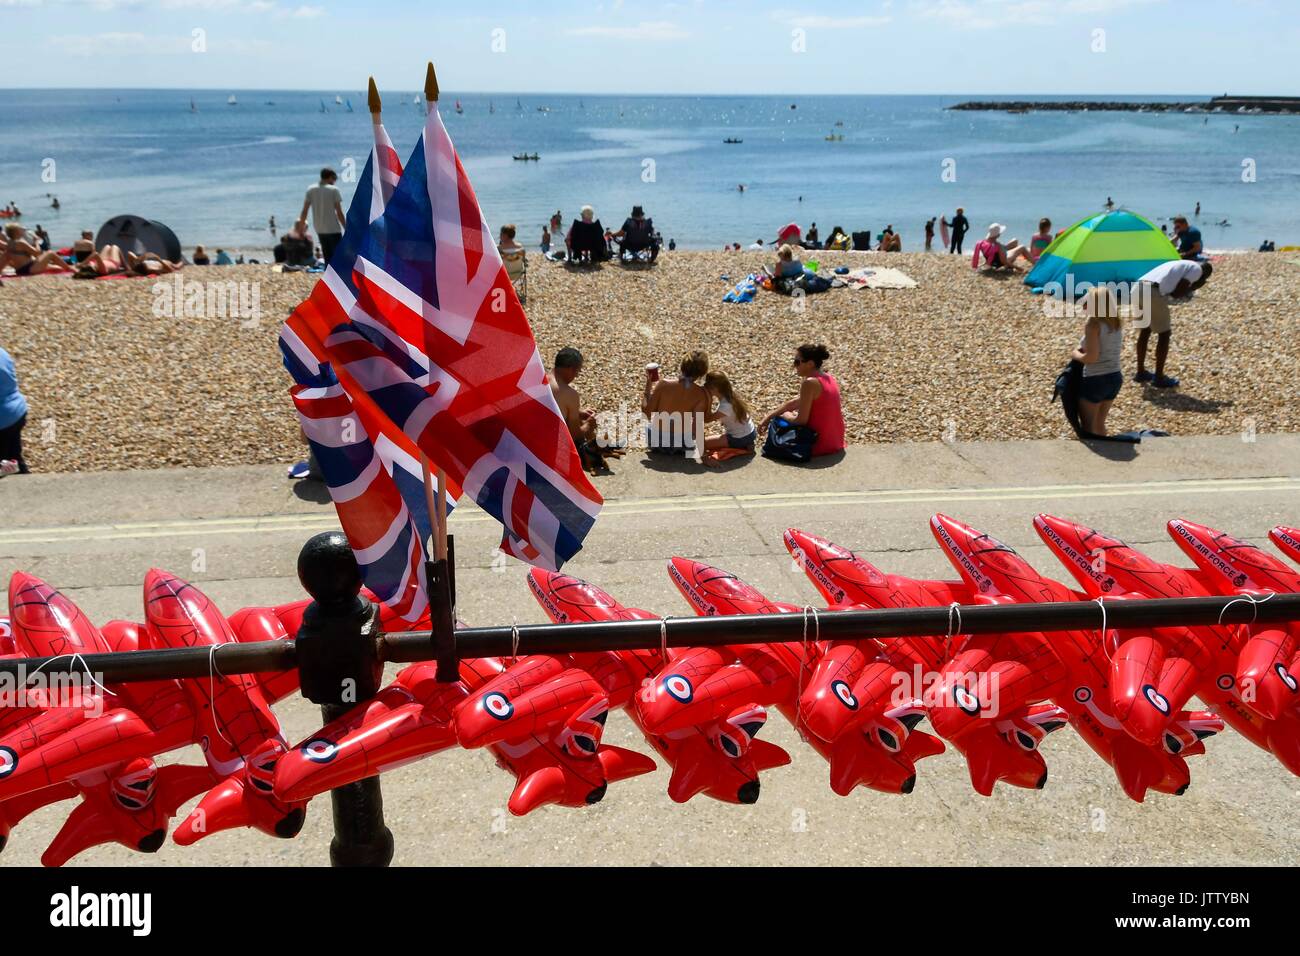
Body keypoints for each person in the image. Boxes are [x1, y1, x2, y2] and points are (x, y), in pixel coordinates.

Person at [1133, 259, 1213, 388]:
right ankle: (1159, 378)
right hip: (1151, 292)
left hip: (1137, 288)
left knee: (1146, 330)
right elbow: (1177, 294)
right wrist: (1193, 287)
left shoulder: (1184, 263)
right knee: (1164, 333)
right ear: (1204, 275)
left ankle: (1140, 372)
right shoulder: (1197, 270)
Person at [760, 344, 845, 458]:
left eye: (797, 362)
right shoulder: (827, 377)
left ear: (810, 364)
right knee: (783, 415)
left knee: (780, 421)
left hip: (817, 444)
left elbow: (801, 421)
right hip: (835, 441)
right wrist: (769, 416)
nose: (794, 366)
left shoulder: (809, 383)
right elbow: (796, 402)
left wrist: (784, 416)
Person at [1071, 287, 1124, 436]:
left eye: (1086, 302)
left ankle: (1092, 458)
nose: (1083, 306)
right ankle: (1106, 451)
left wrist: (1075, 354)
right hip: (1115, 376)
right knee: (1100, 424)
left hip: (1096, 379)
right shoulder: (1116, 322)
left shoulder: (1093, 324)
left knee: (1088, 428)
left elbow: (1091, 358)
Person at [642, 351, 709, 457]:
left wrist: (648, 386)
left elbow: (646, 412)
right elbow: (697, 427)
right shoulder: (701, 394)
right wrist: (704, 455)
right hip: (682, 444)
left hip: (656, 440)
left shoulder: (664, 384)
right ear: (702, 373)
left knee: (646, 426)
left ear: (682, 366)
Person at [550, 347, 596, 446]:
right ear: (572, 369)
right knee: (584, 428)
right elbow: (575, 435)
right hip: (549, 446)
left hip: (526, 442)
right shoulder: (569, 393)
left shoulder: (539, 380)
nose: (576, 376)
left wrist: (577, 412)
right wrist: (589, 426)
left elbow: (551, 409)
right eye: (577, 372)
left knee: (576, 418)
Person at [299, 167, 346, 263]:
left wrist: (301, 228)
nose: (334, 182)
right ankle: (337, 276)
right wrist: (346, 226)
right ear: (329, 177)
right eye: (334, 179)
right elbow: (339, 212)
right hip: (333, 228)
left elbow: (305, 211)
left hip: (319, 228)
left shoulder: (311, 189)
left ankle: (328, 275)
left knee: (327, 255)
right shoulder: (334, 190)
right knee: (338, 256)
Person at [703, 371, 756, 453]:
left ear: (714, 389)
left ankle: (741, 445)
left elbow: (706, 419)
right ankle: (747, 444)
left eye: (707, 387)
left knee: (701, 444)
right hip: (751, 432)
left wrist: (709, 400)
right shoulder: (731, 395)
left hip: (739, 438)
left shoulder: (725, 406)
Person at [0, 345, 29, 475]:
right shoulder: (2, 352)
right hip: (17, 412)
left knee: (3, 463)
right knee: (14, 455)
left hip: (2, 420)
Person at [0, 224, 71, 275]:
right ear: (17, 232)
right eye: (21, 229)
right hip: (29, 268)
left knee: (57, 268)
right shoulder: (21, 242)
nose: (23, 230)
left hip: (20, 270)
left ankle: (65, 268)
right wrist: (36, 241)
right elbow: (37, 253)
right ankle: (70, 269)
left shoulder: (10, 243)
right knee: (50, 253)